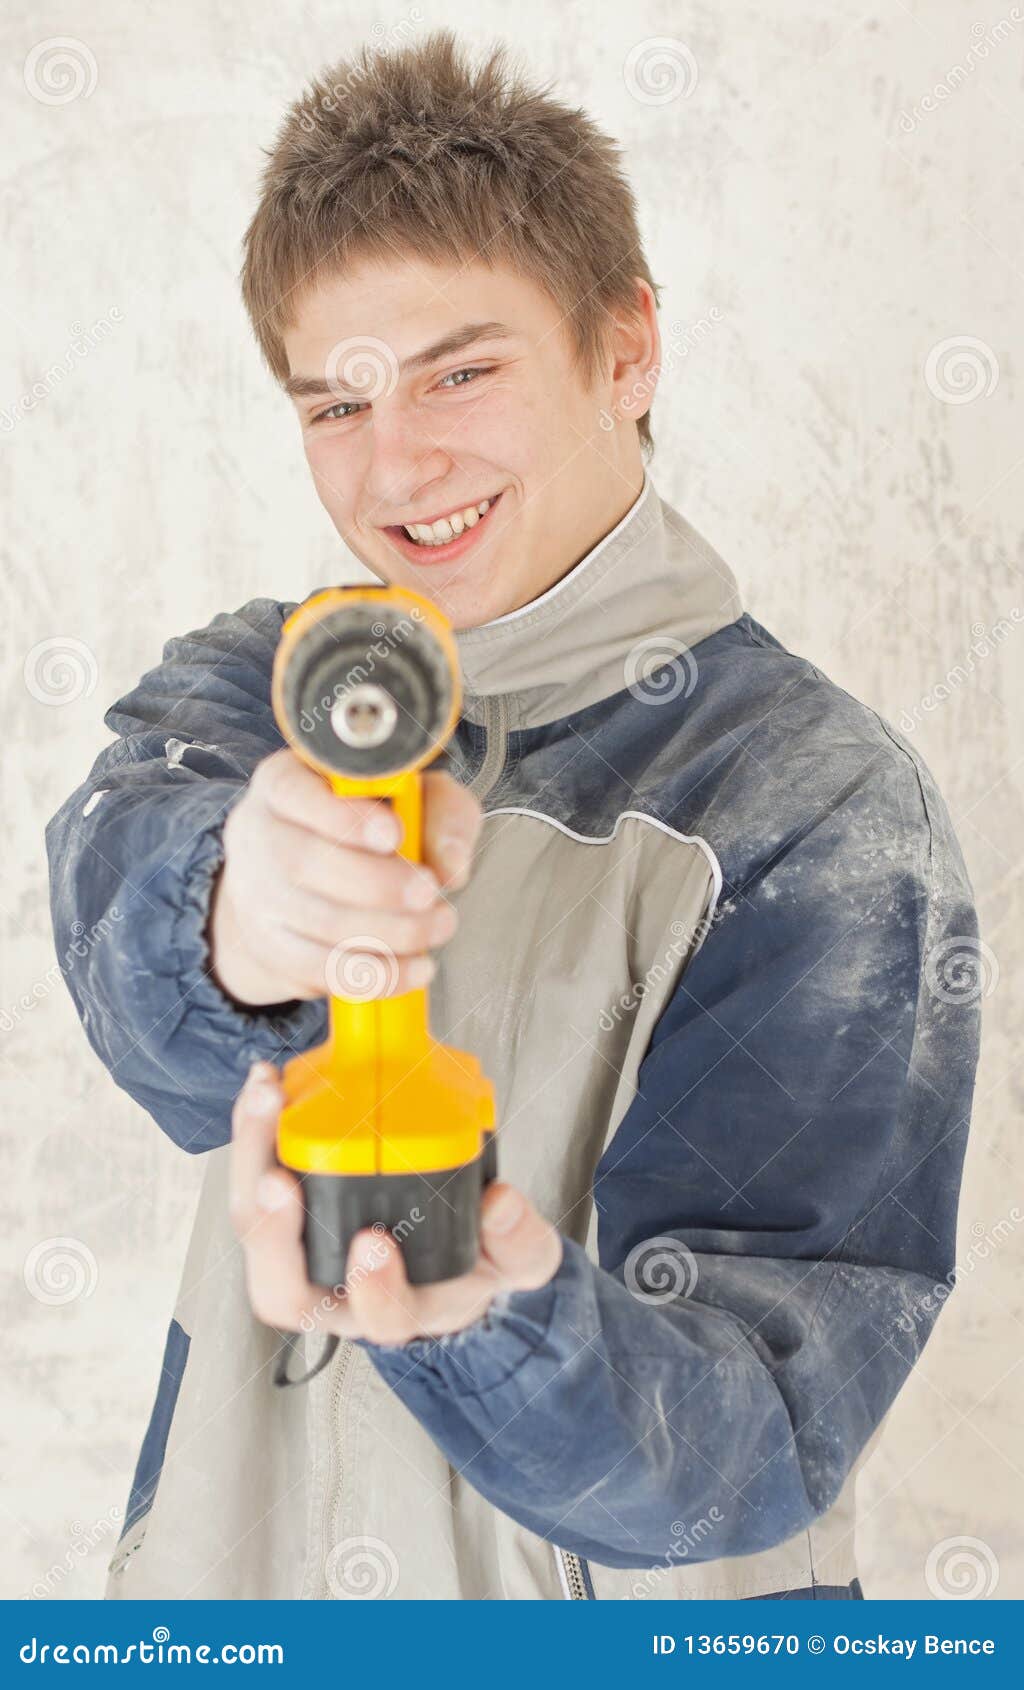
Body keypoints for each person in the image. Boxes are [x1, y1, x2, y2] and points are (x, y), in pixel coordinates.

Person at [45, 30, 980, 1602]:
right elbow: (119, 911)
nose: (397, 464)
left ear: (628, 350)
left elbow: (759, 1432)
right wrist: (236, 913)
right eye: (334, 405)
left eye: (462, 371)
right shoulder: (255, 691)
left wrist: (476, 1299)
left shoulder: (820, 807)